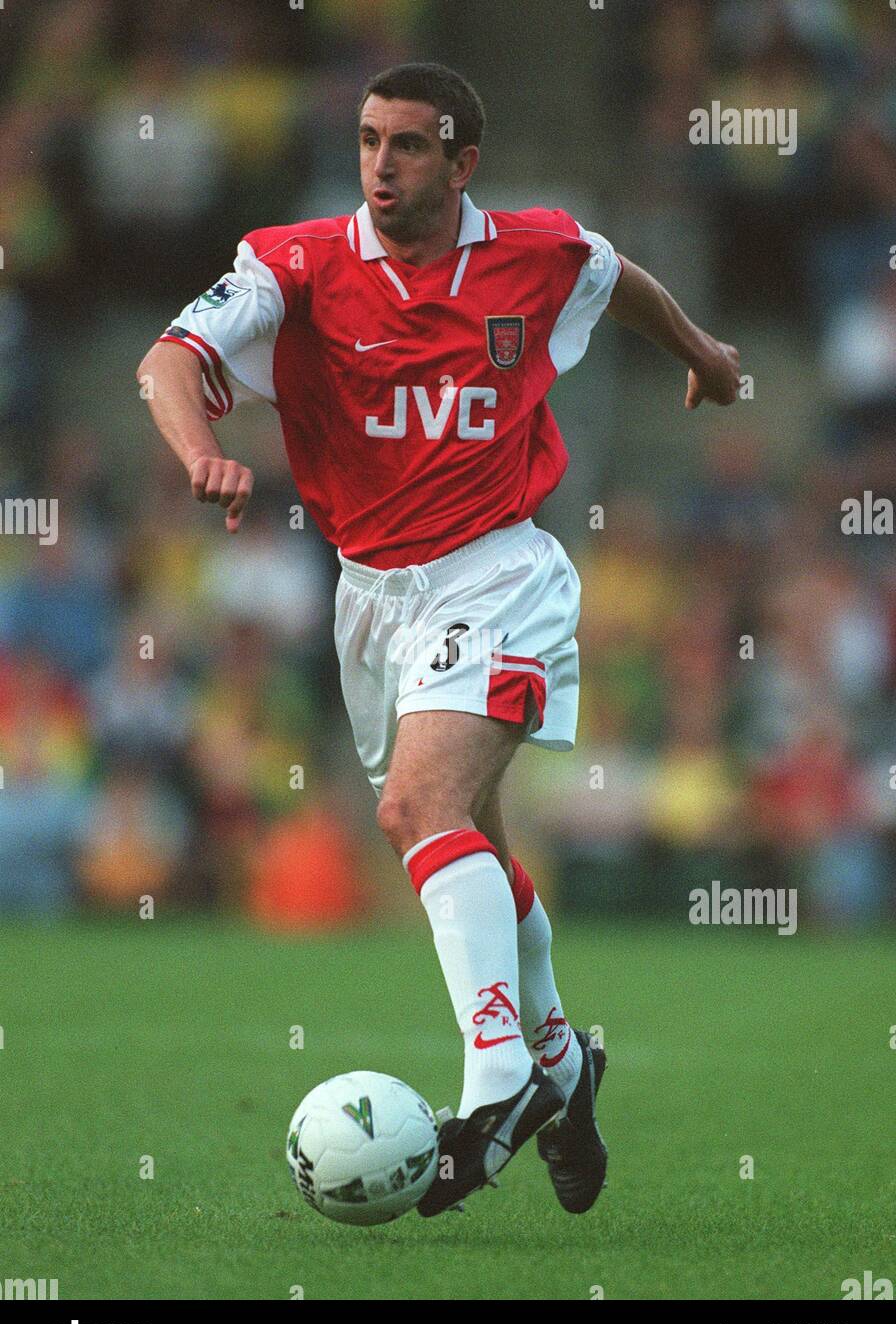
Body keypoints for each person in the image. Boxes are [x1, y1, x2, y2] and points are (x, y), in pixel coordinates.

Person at [137, 61, 740, 1218]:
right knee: (469, 836)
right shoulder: (293, 264)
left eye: (408, 146)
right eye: (368, 141)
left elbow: (613, 276)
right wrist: (194, 452)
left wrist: (703, 354)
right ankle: (563, 1061)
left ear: (461, 163)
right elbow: (169, 360)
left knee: (416, 810)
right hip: (369, 596)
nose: (379, 166)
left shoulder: (533, 251)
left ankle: (499, 1079)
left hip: (497, 567)